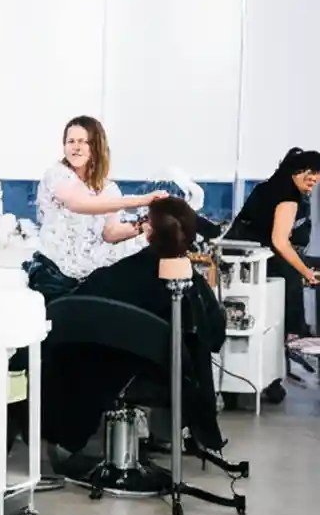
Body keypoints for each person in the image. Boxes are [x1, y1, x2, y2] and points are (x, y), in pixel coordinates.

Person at [47, 197, 227, 464]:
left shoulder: (121, 274)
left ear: (149, 231)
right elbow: (214, 338)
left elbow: (79, 309)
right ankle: (164, 432)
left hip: (126, 371)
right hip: (179, 378)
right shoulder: (195, 284)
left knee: (66, 353)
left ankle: (63, 440)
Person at [27, 116, 166, 302]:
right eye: (71, 141)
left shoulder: (109, 189)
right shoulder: (57, 175)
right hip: (52, 274)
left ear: (95, 146)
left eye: (83, 141)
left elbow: (110, 233)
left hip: (87, 277)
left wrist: (143, 227)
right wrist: (141, 200)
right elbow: (81, 204)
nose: (76, 147)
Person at [226, 148, 320, 339]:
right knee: (292, 277)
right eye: (311, 181)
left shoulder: (266, 187)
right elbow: (279, 241)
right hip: (260, 255)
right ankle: (294, 336)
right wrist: (306, 272)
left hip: (238, 250)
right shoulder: (289, 198)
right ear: (300, 172)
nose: (311, 187)